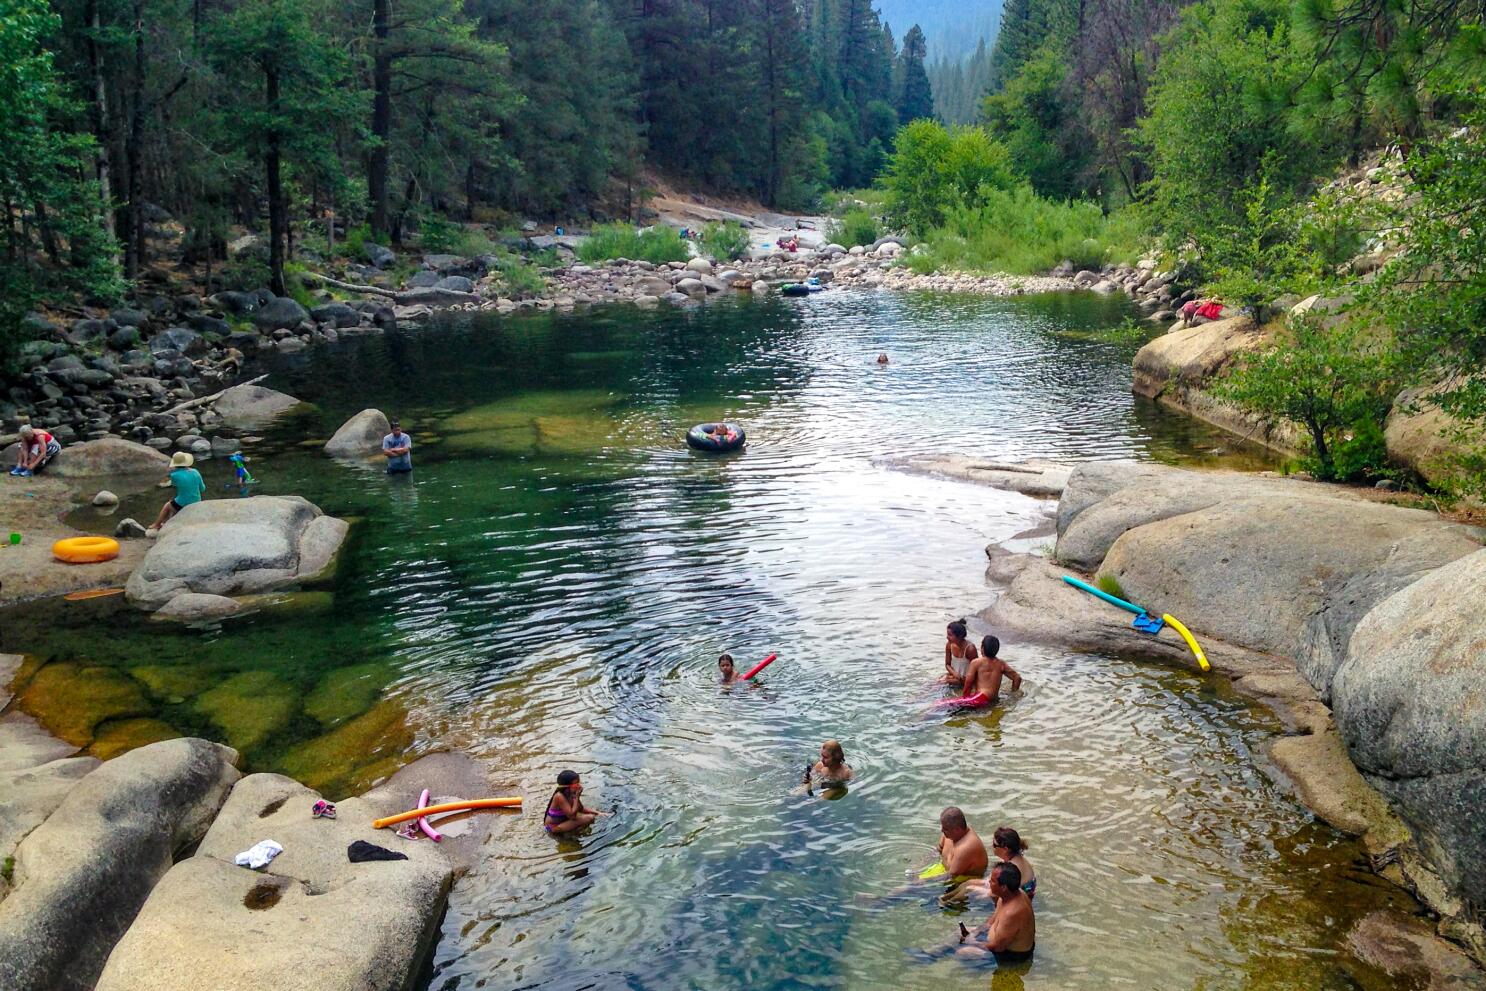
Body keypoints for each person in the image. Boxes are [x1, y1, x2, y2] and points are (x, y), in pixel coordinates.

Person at [956, 861, 1036, 964]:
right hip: (994, 939)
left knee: (962, 953)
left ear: (1003, 887)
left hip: (1010, 955)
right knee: (958, 933)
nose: (989, 882)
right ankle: (932, 955)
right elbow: (992, 920)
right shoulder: (1010, 895)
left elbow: (998, 947)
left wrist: (974, 943)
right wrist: (978, 931)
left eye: (992, 881)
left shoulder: (1012, 912)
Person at [946, 826, 1036, 903]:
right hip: (1013, 888)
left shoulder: (1012, 867)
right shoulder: (1015, 857)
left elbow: (998, 892)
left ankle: (947, 903)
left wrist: (978, 891)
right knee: (968, 882)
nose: (992, 847)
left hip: (1016, 896)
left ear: (1005, 849)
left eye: (994, 845)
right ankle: (946, 898)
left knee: (968, 889)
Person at [950, 635, 1023, 709]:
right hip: (993, 700)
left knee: (941, 705)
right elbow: (1017, 678)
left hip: (981, 698)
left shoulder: (976, 662)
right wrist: (1013, 693)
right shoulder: (1001, 664)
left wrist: (965, 700)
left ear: (982, 648)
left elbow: (968, 683)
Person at [149, 452, 206, 534]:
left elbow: (168, 485)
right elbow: (203, 489)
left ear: (175, 464)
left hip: (183, 504)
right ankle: (165, 524)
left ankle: (157, 524)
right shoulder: (196, 472)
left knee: (168, 505)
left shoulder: (174, 475)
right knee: (174, 501)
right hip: (196, 501)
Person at [934, 806, 989, 881]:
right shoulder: (949, 834)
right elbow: (937, 851)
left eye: (945, 829)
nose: (942, 830)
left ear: (957, 829)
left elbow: (951, 875)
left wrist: (925, 882)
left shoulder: (966, 847)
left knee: (916, 890)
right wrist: (919, 867)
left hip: (964, 881)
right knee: (916, 878)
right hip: (943, 870)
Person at [544, 769, 604, 834]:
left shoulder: (571, 793)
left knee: (589, 816)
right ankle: (572, 834)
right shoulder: (559, 796)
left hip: (563, 822)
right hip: (553, 827)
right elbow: (572, 816)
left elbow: (581, 809)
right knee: (590, 818)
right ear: (567, 786)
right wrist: (576, 798)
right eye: (576, 784)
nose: (579, 786)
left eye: (579, 783)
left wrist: (599, 813)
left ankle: (574, 832)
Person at [942, 620, 978, 687]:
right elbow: (947, 664)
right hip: (954, 676)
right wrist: (954, 674)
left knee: (940, 684)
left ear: (959, 636)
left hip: (965, 680)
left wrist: (961, 680)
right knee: (932, 685)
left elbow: (976, 671)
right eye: (947, 634)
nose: (947, 637)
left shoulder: (970, 649)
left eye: (950, 635)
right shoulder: (949, 645)